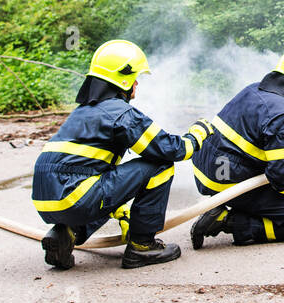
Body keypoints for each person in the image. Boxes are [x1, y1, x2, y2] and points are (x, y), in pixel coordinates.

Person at [33, 39, 212, 270]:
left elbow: (102, 176)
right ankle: (142, 247)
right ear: (124, 79)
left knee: (106, 180)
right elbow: (170, 149)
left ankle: (66, 234)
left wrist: (126, 214)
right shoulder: (119, 113)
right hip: (75, 196)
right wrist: (198, 134)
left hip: (46, 200)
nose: (137, 83)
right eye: (136, 77)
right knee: (160, 166)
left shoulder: (83, 112)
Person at [189, 46, 284, 248]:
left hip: (207, 169)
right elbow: (280, 177)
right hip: (225, 181)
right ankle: (225, 221)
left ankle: (221, 211)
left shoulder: (252, 89)